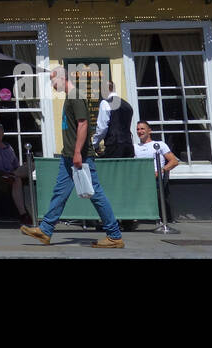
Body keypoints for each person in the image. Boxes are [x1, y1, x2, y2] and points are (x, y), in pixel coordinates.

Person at [21, 67, 123, 248]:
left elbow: (83, 124)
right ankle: (45, 230)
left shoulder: (76, 95)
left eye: (53, 80)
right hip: (68, 156)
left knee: (96, 194)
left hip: (80, 156)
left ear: (62, 78)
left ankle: (114, 236)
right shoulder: (71, 96)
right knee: (60, 193)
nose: (52, 85)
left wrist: (77, 152)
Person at [134, 121, 180, 220]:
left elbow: (174, 161)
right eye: (138, 129)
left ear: (149, 131)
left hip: (155, 178)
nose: (140, 131)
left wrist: (159, 171)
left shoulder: (159, 144)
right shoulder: (135, 147)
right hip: (140, 178)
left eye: (142, 129)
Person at [93, 82, 135, 158]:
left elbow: (102, 128)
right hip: (128, 145)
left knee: (113, 169)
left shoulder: (105, 103)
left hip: (114, 145)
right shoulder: (127, 105)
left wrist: (95, 143)